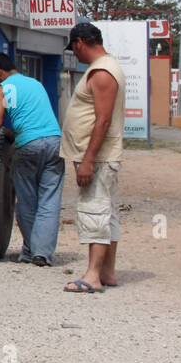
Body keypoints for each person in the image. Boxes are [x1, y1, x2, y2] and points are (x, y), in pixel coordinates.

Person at [0, 52, 64, 265]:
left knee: (27, 199)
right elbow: (36, 121)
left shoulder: (2, 88)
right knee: (49, 200)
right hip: (55, 142)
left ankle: (31, 250)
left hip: (29, 148)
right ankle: (43, 253)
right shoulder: (36, 84)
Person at [59, 22, 126, 293]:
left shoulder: (102, 72)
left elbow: (103, 120)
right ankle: (107, 271)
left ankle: (93, 275)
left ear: (79, 43)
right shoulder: (104, 69)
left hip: (98, 158)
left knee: (94, 210)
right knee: (106, 211)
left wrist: (88, 159)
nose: (75, 55)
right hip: (98, 155)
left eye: (74, 50)